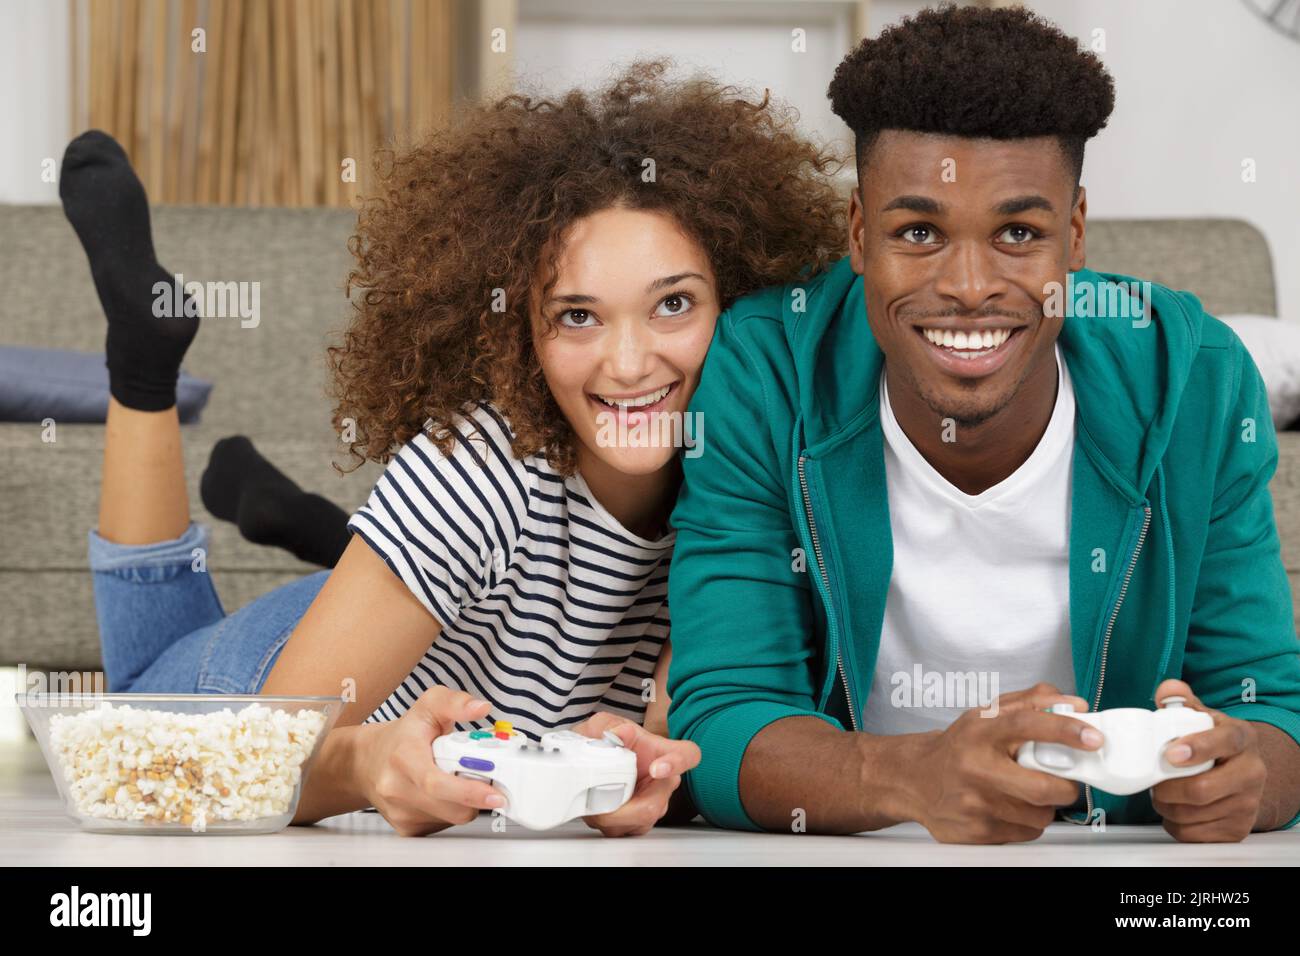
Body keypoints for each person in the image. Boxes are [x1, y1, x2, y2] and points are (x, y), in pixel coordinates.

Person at [63, 60, 846, 836]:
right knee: (132, 702)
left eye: (672, 304)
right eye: (578, 316)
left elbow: (686, 738)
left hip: (434, 610)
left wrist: (640, 772)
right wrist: (368, 765)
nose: (631, 363)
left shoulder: (754, 478)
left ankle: (333, 537)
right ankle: (143, 366)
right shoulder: (479, 470)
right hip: (274, 676)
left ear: (738, 302)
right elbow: (258, 758)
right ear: (519, 332)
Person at [665, 4, 1300, 843]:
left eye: (1017, 233)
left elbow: (1274, 714)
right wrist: (914, 775)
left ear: (1073, 235)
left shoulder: (1198, 382)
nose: (969, 285)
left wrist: (1242, 777)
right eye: (920, 231)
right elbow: (719, 721)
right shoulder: (766, 369)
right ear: (860, 232)